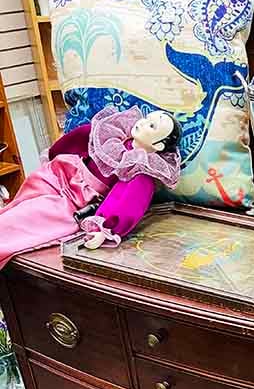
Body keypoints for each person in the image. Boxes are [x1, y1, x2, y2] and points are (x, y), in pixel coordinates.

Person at [0, 106, 181, 269]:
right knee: (17, 207)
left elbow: (128, 199)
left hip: (73, 199)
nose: (143, 123)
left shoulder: (139, 170)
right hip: (56, 175)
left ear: (158, 145)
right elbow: (79, 137)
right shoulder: (111, 133)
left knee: (25, 220)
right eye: (147, 118)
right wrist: (54, 154)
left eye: (152, 126)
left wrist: (104, 227)